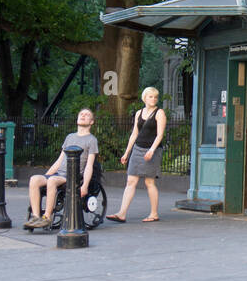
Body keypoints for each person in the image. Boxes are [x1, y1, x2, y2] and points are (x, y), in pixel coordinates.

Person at [26, 108, 98, 230]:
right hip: (59, 173)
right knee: (35, 179)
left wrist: (85, 186)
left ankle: (47, 217)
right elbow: (60, 160)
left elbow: (89, 165)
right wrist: (46, 176)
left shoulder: (91, 140)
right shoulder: (69, 137)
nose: (83, 116)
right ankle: (36, 216)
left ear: (91, 122)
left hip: (73, 176)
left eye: (87, 115)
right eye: (81, 114)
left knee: (52, 180)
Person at [108, 87, 166, 223]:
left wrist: (151, 150)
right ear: (144, 98)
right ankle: (121, 213)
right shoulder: (139, 113)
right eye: (150, 96)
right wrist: (127, 152)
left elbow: (160, 135)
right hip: (138, 149)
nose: (153, 99)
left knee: (149, 182)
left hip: (152, 150)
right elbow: (134, 134)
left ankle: (154, 213)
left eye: (155, 97)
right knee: (130, 181)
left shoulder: (159, 113)